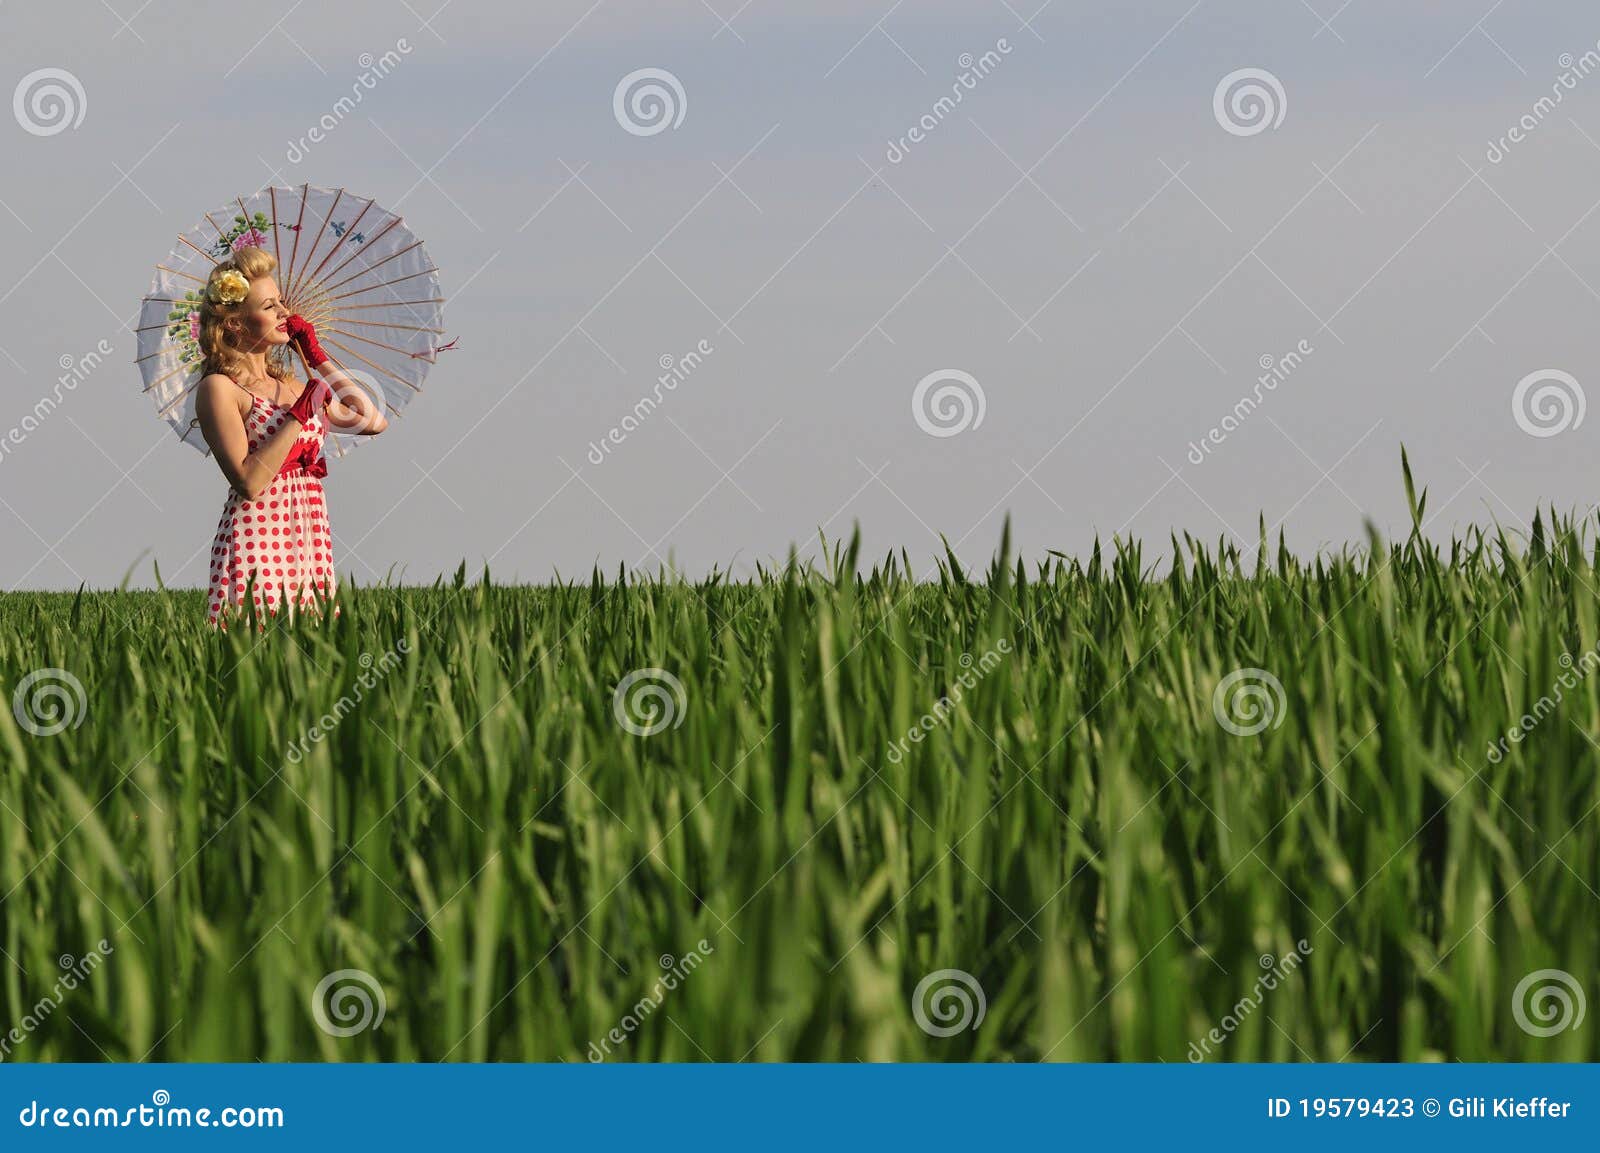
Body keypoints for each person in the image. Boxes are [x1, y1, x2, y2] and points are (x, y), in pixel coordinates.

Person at [192, 245, 387, 628]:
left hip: (309, 535)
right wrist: (299, 415)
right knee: (256, 650)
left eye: (281, 302)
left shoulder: (294, 384)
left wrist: (316, 357)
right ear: (234, 323)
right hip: (258, 537)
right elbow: (248, 482)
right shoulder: (220, 388)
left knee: (310, 659)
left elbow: (373, 420)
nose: (285, 313)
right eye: (270, 307)